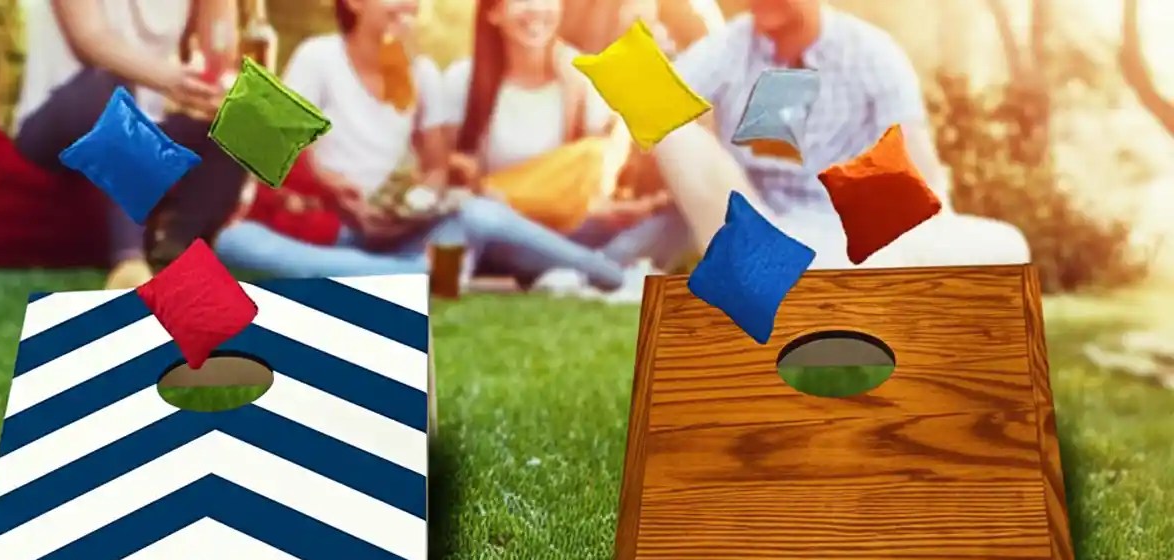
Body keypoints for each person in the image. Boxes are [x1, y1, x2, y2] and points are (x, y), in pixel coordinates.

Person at [213, 0, 628, 289]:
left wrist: (413, 205)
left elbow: (435, 170)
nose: (408, 5)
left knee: (476, 213)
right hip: (322, 227)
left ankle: (603, 272)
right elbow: (269, 153)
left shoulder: (423, 73)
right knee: (235, 243)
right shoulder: (319, 57)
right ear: (355, 2)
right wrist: (332, 187)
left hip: (394, 233)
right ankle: (411, 276)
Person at [652, 0, 1030, 268]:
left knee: (1007, 246)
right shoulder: (729, 48)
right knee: (669, 127)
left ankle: (825, 277)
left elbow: (920, 170)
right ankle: (766, 266)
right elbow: (655, 109)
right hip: (763, 227)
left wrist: (936, 239)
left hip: (858, 240)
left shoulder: (872, 53)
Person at [441, 0, 687, 284]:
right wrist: (476, 187)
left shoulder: (579, 77)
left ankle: (571, 273)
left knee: (683, 210)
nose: (537, 8)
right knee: (475, 214)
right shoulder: (463, 81)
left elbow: (590, 181)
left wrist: (614, 209)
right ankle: (607, 273)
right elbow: (446, 183)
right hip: (507, 233)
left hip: (571, 228)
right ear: (494, 13)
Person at [13, 0, 249, 289]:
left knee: (242, 120)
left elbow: (219, 55)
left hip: (145, 125)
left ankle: (173, 251)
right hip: (61, 115)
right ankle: (128, 261)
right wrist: (170, 79)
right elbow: (90, 42)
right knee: (111, 83)